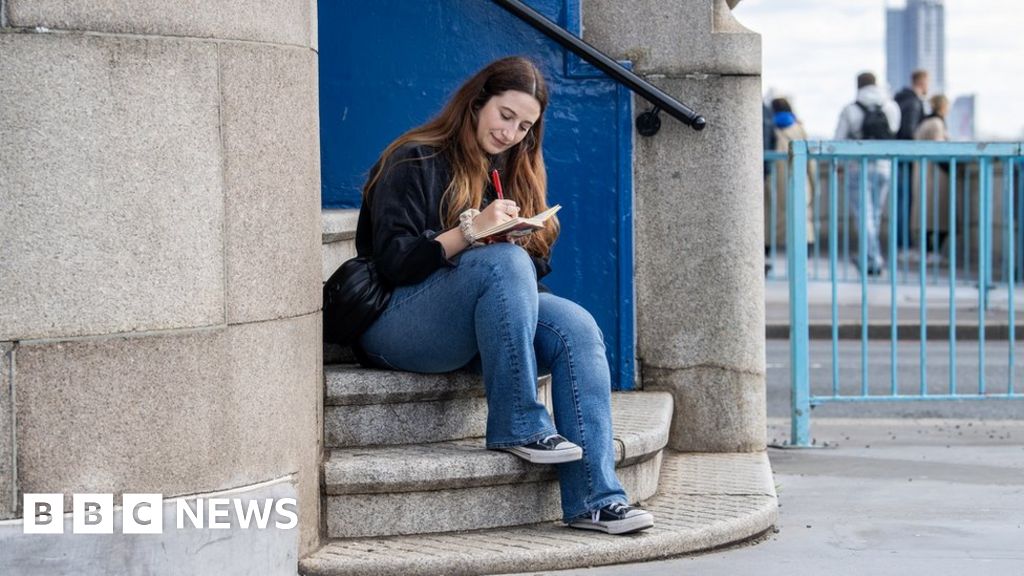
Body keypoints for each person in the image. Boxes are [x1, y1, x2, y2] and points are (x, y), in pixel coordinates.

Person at [349, 57, 654, 535]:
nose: (512, 132)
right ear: (476, 105)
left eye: (525, 126)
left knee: (577, 325)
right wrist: (472, 233)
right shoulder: (413, 159)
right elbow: (394, 263)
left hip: (473, 322)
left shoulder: (510, 171)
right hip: (397, 321)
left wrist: (512, 241)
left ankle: (595, 497)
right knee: (503, 263)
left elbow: (532, 274)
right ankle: (517, 422)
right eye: (505, 115)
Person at [835, 72, 901, 276]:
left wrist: (838, 166)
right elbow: (895, 131)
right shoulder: (891, 106)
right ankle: (870, 256)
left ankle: (873, 260)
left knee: (864, 216)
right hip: (884, 166)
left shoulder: (850, 109)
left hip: (858, 167)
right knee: (875, 214)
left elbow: (839, 139)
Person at [765, 97, 817, 260]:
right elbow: (811, 160)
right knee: (802, 214)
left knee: (770, 214)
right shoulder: (798, 128)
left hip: (774, 177)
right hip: (798, 174)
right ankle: (805, 252)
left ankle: (767, 252)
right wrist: (813, 182)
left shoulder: (769, 126)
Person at [893, 69, 930, 250]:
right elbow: (909, 131)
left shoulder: (899, 99)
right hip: (906, 157)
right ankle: (904, 243)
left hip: (896, 156)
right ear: (922, 82)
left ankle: (901, 242)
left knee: (900, 199)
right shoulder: (914, 103)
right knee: (905, 200)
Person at [912, 94, 951, 260]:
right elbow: (939, 150)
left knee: (926, 214)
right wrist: (951, 168)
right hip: (935, 174)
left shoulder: (924, 122)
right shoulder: (936, 123)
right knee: (940, 214)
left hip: (922, 172)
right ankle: (933, 252)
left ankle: (928, 251)